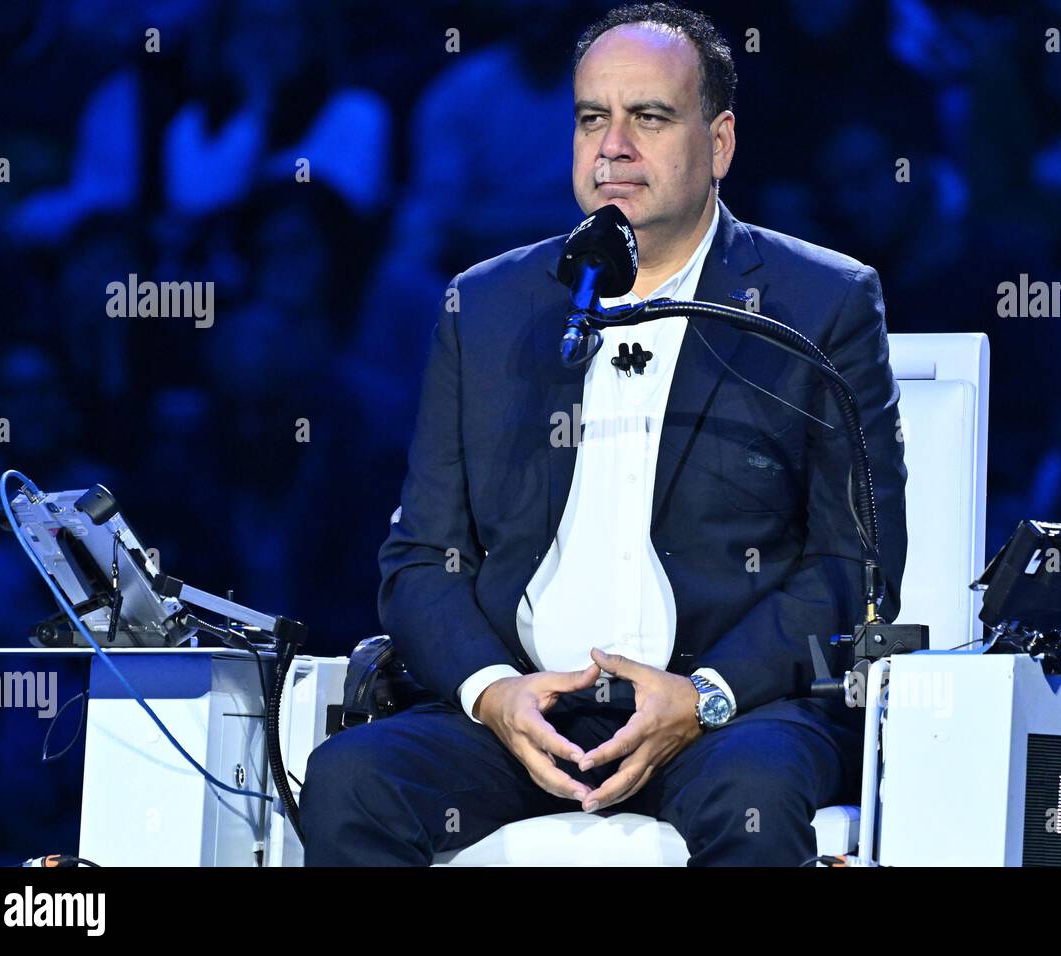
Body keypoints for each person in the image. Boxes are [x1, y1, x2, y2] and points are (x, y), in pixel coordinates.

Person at [300, 2, 908, 866]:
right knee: (349, 780)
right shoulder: (489, 306)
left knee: (757, 802)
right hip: (529, 718)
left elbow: (856, 565)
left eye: (649, 118)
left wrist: (705, 696)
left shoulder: (821, 304)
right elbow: (420, 558)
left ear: (720, 143)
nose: (612, 146)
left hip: (729, 718)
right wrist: (492, 694)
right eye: (592, 118)